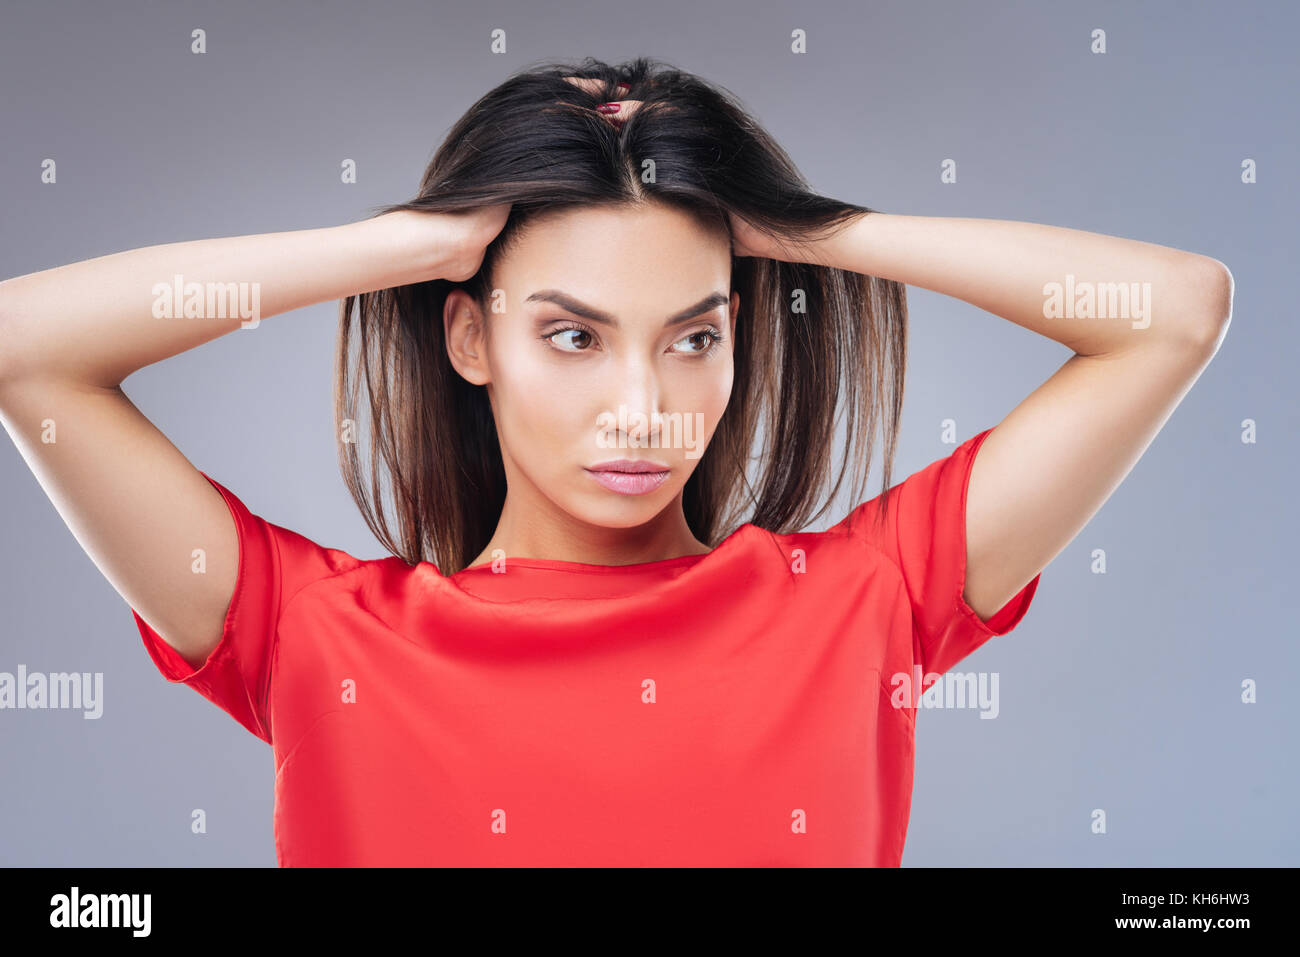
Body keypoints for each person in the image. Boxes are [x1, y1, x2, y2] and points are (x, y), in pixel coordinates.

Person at [0, 57, 1232, 866]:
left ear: (739, 333)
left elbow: (1173, 309)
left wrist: (807, 230)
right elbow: (23, 350)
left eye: (692, 335)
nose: (643, 407)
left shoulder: (867, 599)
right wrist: (416, 244)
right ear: (468, 336)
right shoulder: (315, 635)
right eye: (573, 335)